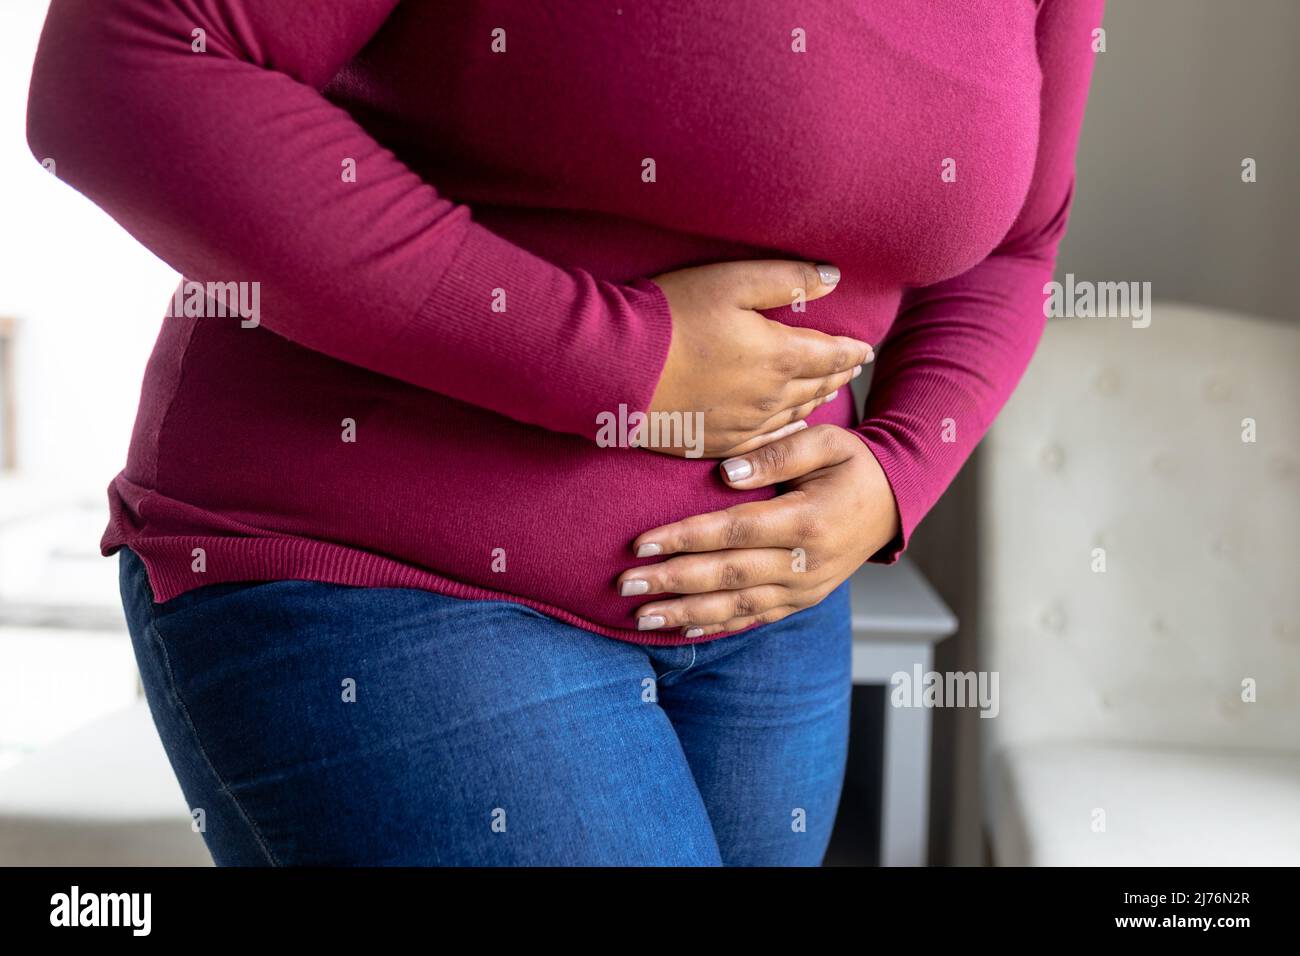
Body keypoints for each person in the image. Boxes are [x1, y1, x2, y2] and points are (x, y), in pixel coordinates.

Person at [26, 0, 1102, 865]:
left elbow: (1018, 236)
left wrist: (896, 469)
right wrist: (621, 360)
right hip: (385, 569)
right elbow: (129, 68)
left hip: (768, 613)